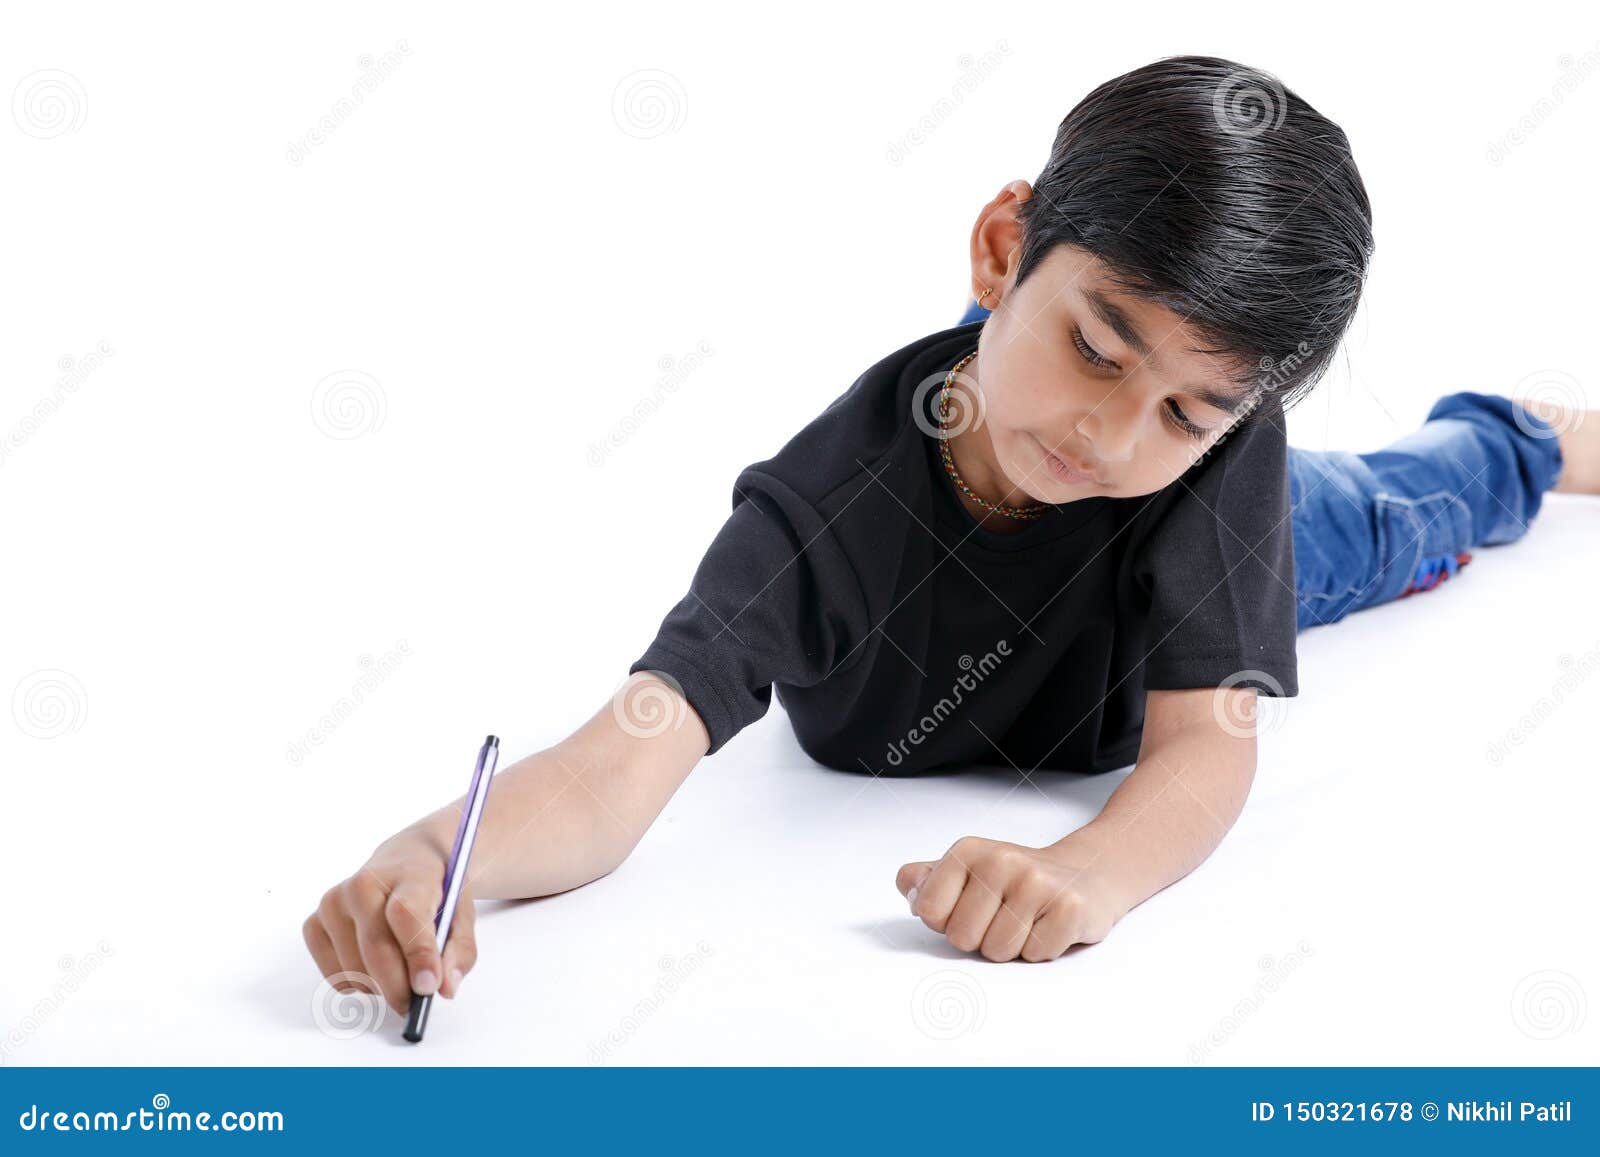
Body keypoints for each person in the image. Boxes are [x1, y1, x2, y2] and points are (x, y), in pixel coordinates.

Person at [303, 55, 1598, 1013]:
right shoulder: (829, 511)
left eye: (1186, 411)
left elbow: (1208, 746)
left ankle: (1524, 432)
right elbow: (614, 766)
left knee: (1392, 511)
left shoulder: (1207, 461)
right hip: (1013, 442)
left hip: (1253, 536)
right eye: (1096, 349)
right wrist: (433, 854)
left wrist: (1090, 871)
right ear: (999, 248)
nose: (1112, 434)